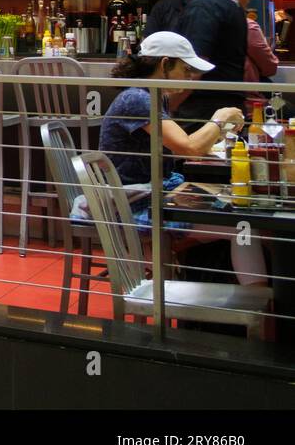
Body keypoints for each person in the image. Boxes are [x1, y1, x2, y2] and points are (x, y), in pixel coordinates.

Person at [99, 31, 264, 285]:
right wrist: (220, 118)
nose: (190, 77)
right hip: (133, 202)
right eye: (186, 69)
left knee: (235, 212)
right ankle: (260, 311)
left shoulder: (152, 96)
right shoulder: (137, 99)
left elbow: (184, 146)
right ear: (165, 64)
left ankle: (169, 268)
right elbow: (187, 148)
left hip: (150, 193)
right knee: (244, 227)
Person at [168, 0, 248, 127]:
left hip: (203, 115)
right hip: (224, 110)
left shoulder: (203, 7)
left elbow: (193, 70)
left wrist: (165, 108)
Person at [224, 0, 279, 90]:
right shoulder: (248, 26)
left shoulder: (202, 21)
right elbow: (270, 67)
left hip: (213, 94)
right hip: (250, 98)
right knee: (285, 107)